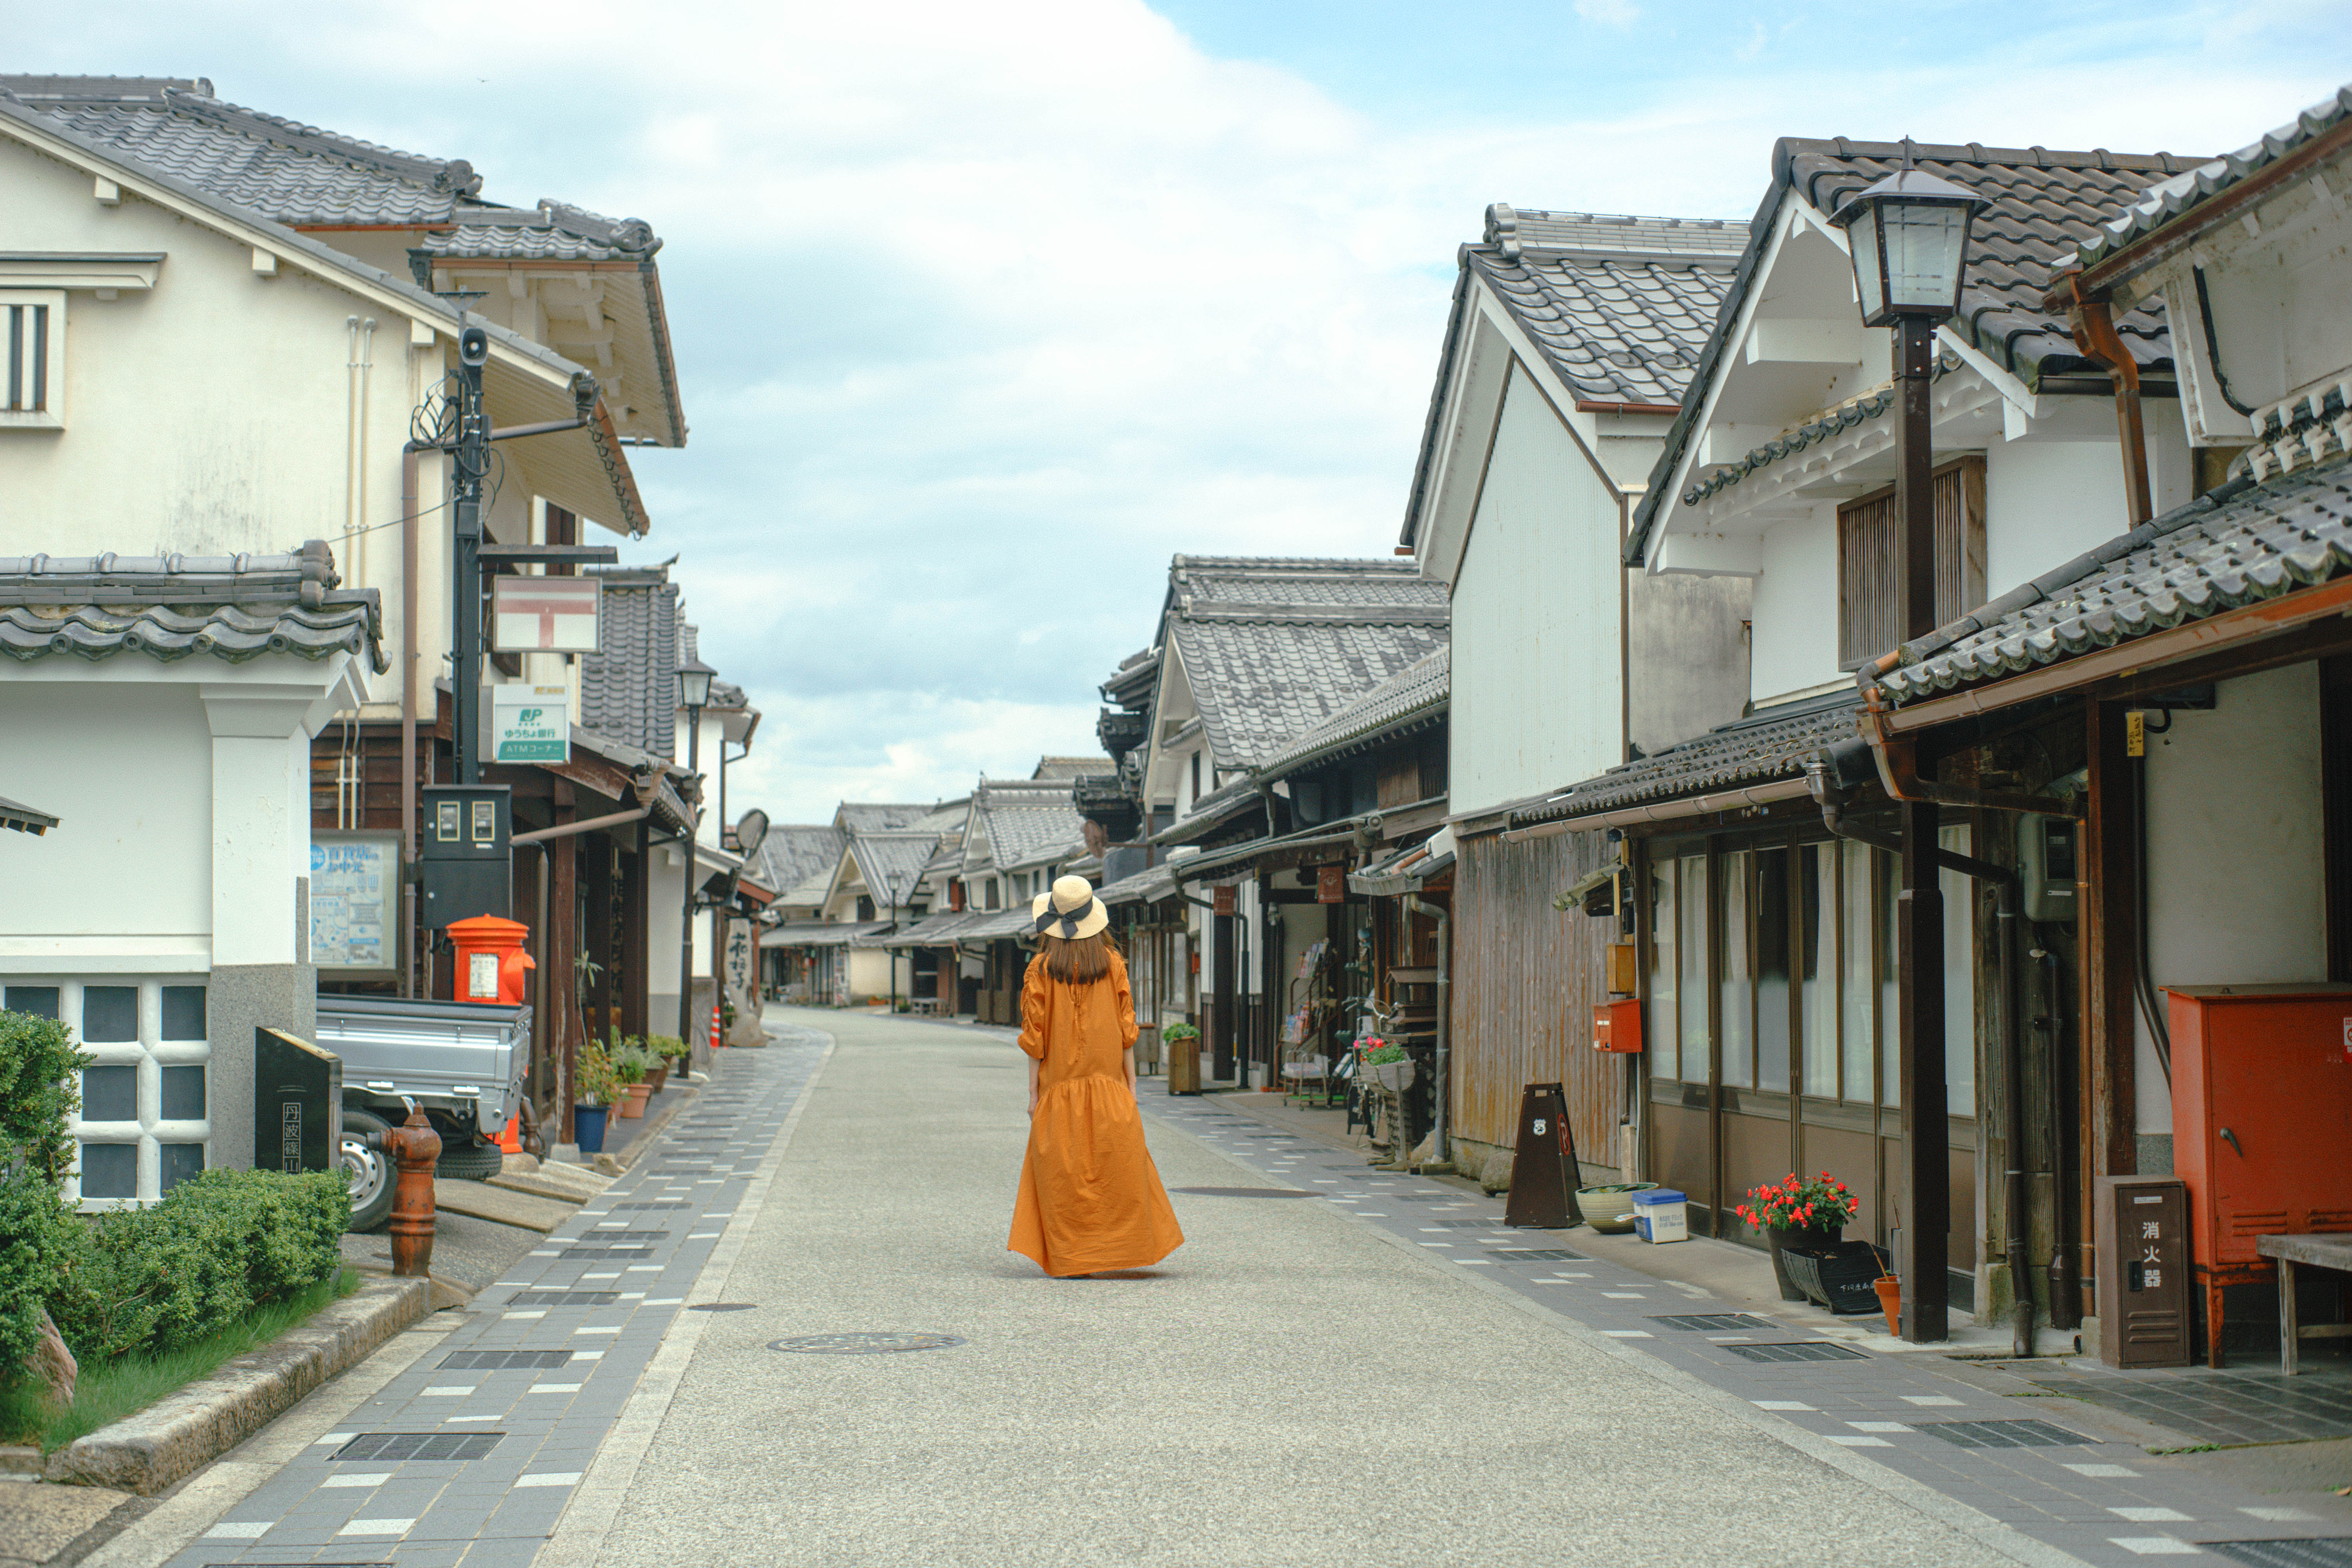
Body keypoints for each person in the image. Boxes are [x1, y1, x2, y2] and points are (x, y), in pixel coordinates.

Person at [1007, 876, 1185, 1278]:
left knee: (1064, 1176)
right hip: (1110, 1087)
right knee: (1116, 1171)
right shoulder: (1113, 965)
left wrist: (1033, 1093)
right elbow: (1127, 1032)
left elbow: (1035, 1039)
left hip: (1059, 1088)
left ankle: (1074, 1258)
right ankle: (1113, 1250)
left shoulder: (1040, 969)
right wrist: (1132, 1086)